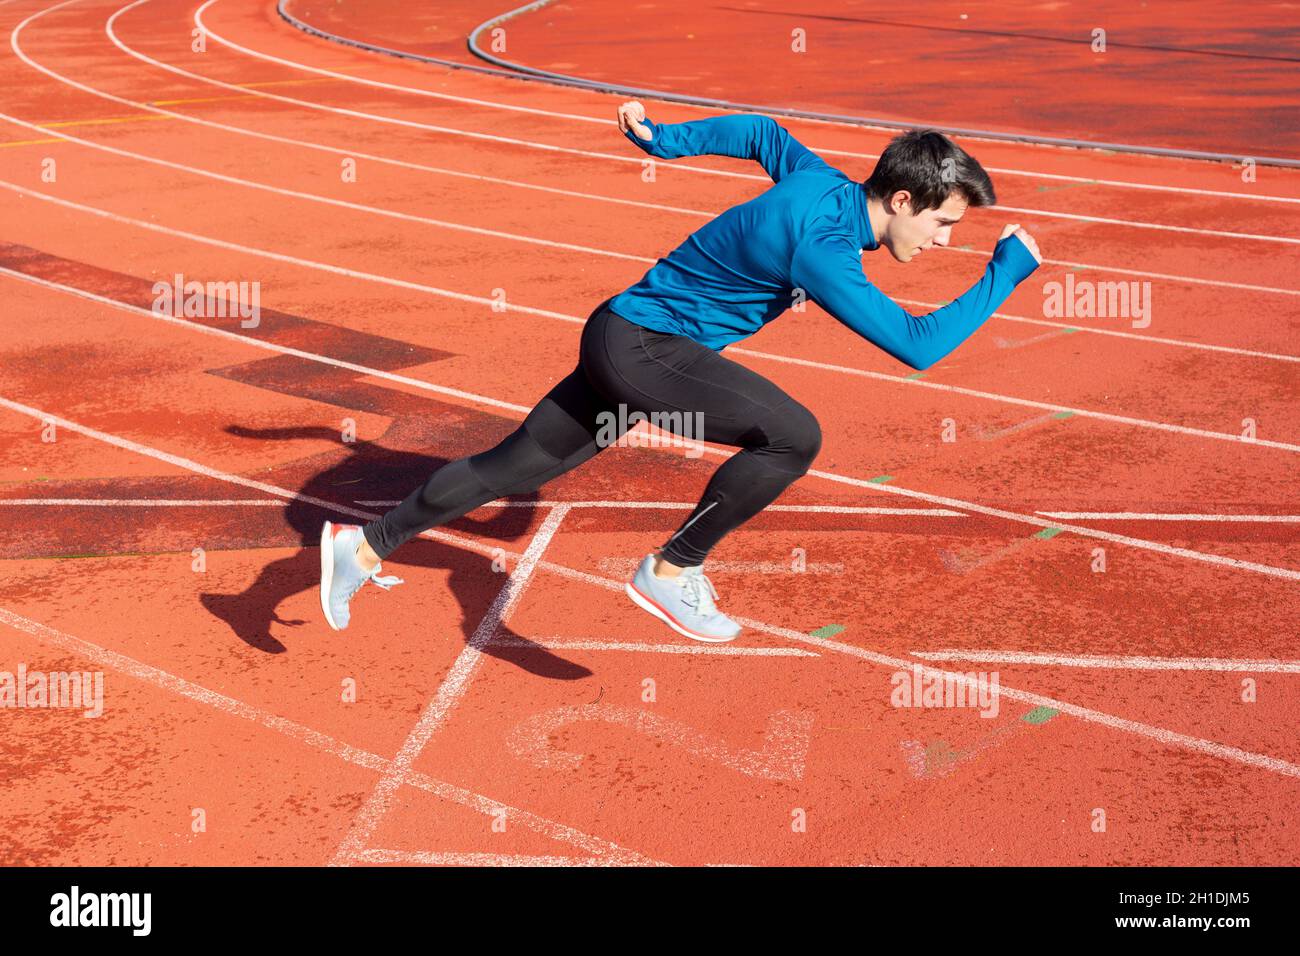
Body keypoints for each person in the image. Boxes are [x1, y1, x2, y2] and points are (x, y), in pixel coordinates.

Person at [320, 100, 1042, 643]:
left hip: (622, 338)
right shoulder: (823, 246)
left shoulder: (820, 182)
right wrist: (1002, 275)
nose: (944, 241)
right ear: (902, 200)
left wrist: (667, 140)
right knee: (792, 437)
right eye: (944, 223)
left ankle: (360, 547)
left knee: (510, 470)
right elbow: (915, 346)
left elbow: (761, 133)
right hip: (646, 352)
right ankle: (670, 571)